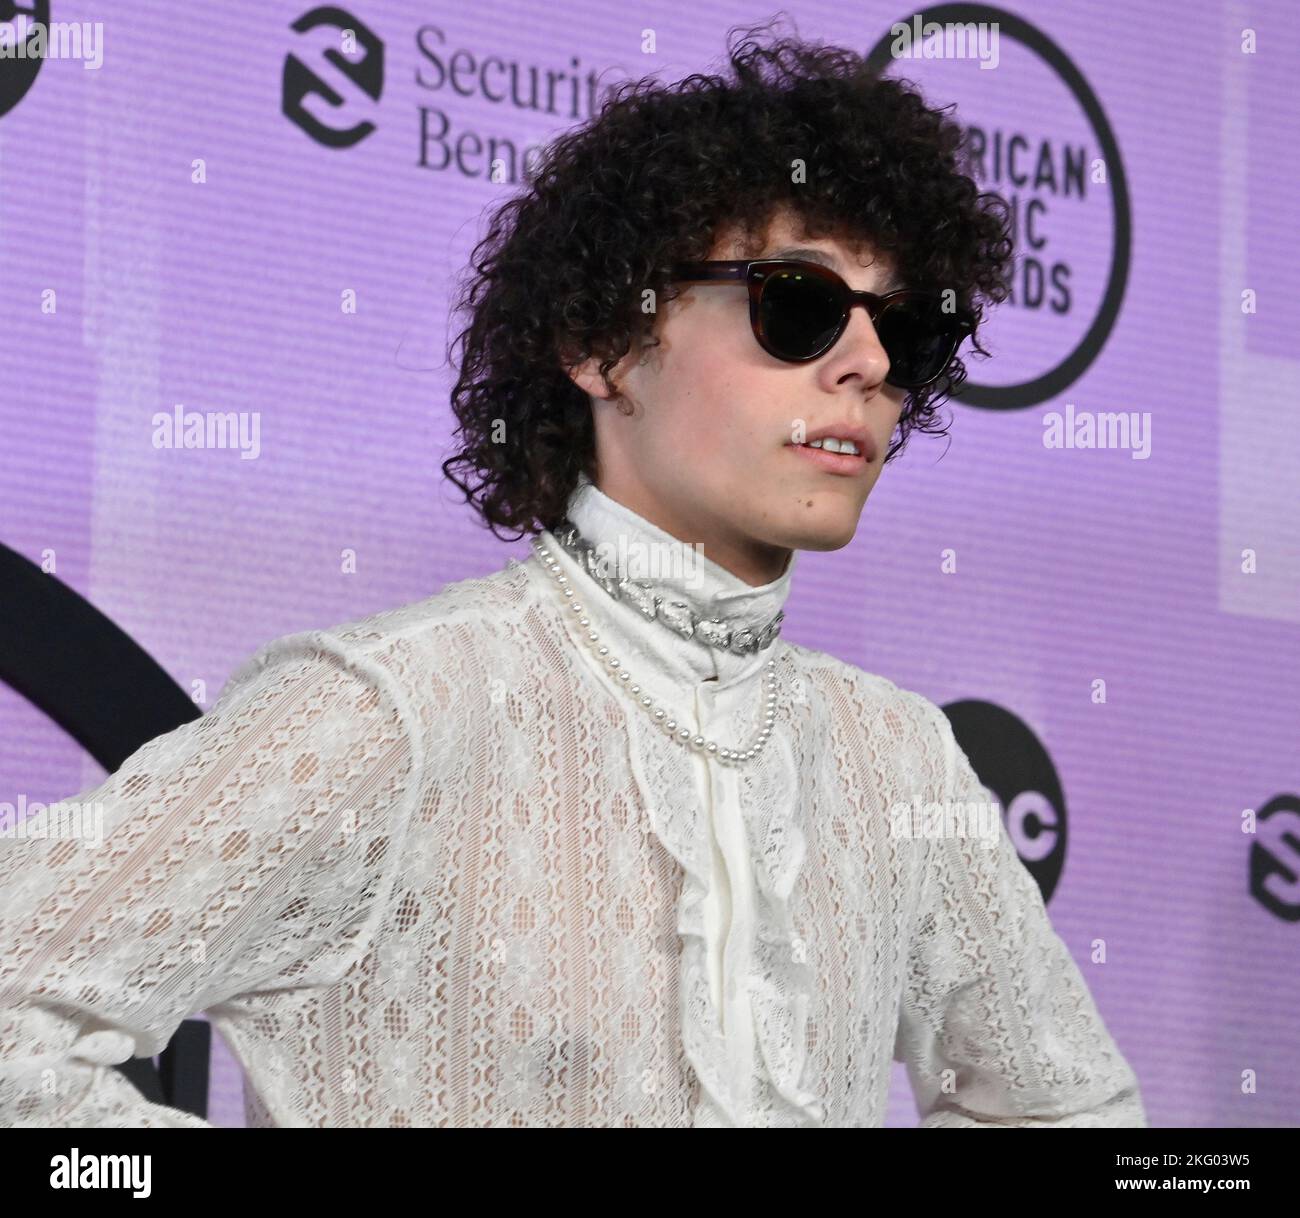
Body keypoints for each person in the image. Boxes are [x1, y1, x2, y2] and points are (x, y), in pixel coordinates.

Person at [0, 24, 1147, 1128]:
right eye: (795, 306)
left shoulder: (894, 755)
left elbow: (1068, 1110)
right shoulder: (389, 712)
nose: (868, 363)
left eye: (907, 330)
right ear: (601, 343)